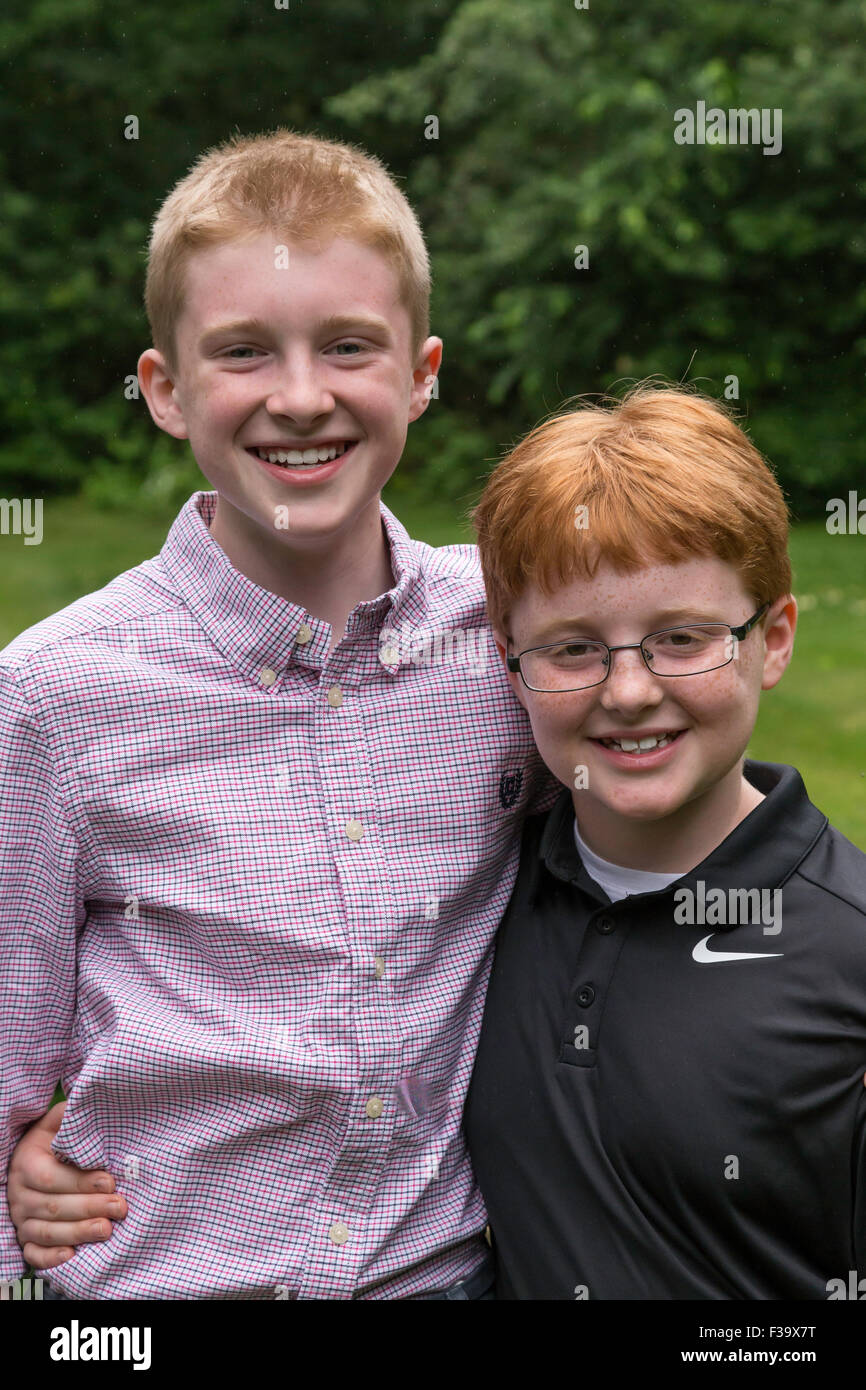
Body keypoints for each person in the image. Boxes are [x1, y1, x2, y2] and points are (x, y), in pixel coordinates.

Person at [0, 127, 560, 1300]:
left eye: (348, 347)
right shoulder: (57, 694)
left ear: (420, 371)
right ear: (164, 388)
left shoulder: (503, 632)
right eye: (243, 353)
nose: (300, 398)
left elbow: (671, 806)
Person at [463, 385, 866, 1299]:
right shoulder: (475, 892)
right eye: (572, 649)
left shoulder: (849, 954)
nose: (631, 691)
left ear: (772, 639)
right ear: (509, 665)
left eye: (683, 639)